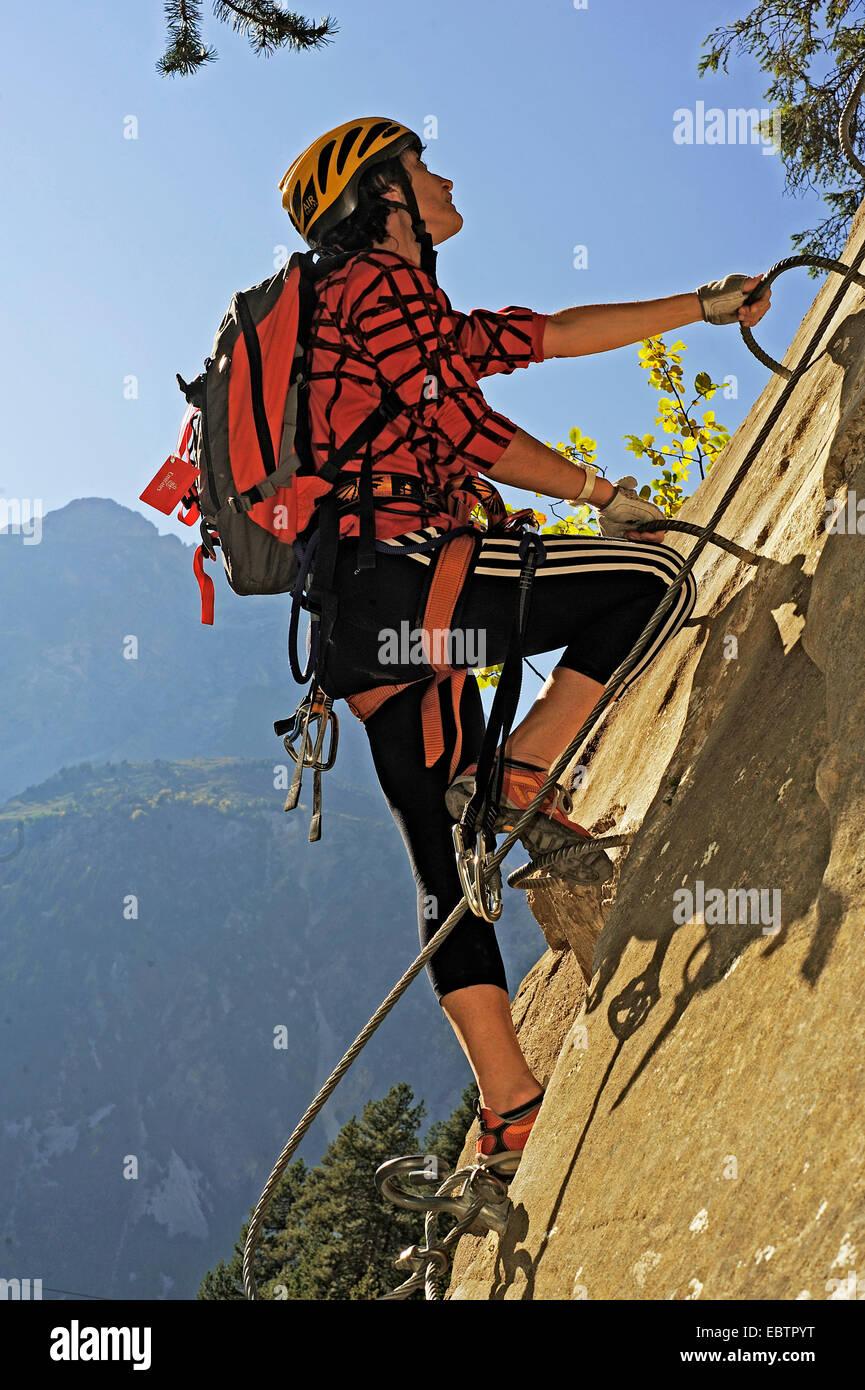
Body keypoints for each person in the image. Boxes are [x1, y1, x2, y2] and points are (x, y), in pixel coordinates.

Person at [279, 118, 771, 1177]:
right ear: (383, 202)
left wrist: (701, 304)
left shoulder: (364, 313)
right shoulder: (379, 288)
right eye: (421, 169)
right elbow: (466, 430)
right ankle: (522, 772)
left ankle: (508, 1105)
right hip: (414, 583)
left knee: (436, 865)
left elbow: (544, 335)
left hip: (362, 638)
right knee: (646, 582)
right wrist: (603, 496)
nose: (445, 177)